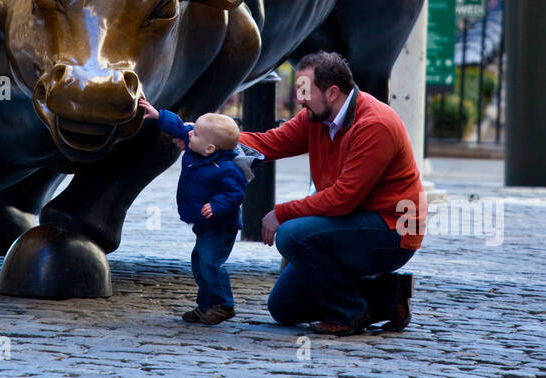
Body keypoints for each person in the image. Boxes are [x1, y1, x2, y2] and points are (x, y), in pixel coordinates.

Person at [239, 51, 427, 336]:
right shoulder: (316, 117)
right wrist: (203, 135)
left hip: (393, 230)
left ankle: (350, 312)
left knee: (291, 234)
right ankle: (388, 295)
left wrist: (281, 213)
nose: (299, 100)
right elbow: (268, 144)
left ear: (333, 92)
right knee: (283, 307)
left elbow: (342, 198)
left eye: (305, 91)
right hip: (352, 222)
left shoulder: (374, 125)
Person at [139, 98, 252, 325]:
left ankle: (224, 305)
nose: (191, 134)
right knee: (199, 265)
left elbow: (235, 194)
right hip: (204, 224)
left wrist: (217, 205)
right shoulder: (196, 148)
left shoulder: (227, 169)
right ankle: (205, 306)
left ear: (210, 148)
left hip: (221, 228)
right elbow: (180, 127)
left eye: (197, 134)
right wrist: (157, 114)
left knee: (210, 264)